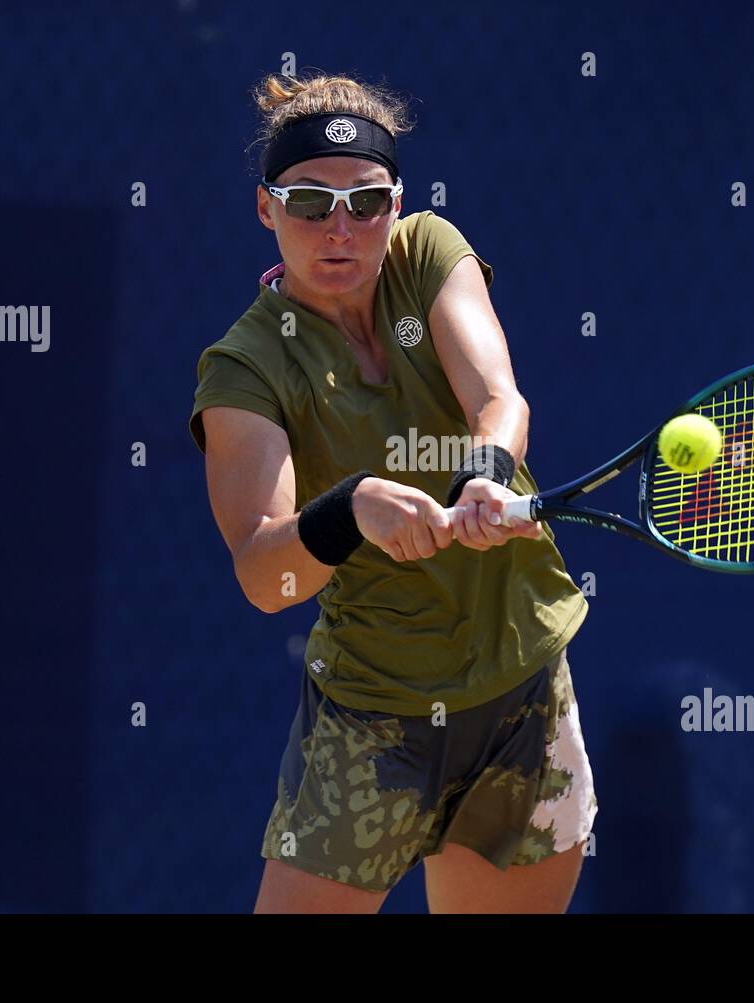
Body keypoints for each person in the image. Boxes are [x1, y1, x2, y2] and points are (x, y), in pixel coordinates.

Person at [188, 71, 597, 913]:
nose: (339, 226)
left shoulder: (428, 252)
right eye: (309, 203)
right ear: (266, 209)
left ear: (397, 205)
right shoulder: (244, 370)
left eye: (365, 202)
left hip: (518, 686)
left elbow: (499, 400)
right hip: (372, 720)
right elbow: (269, 580)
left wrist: (484, 475)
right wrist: (351, 510)